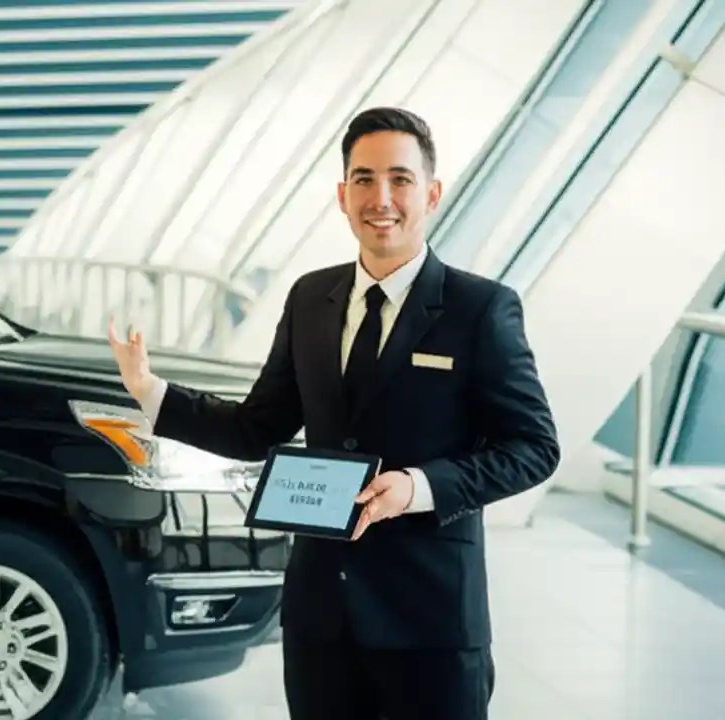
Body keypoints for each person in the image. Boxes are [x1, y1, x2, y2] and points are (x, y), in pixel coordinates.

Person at [107, 106, 560, 720]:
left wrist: (419, 487)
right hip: (322, 617)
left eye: (400, 180)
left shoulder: (480, 309)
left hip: (427, 618)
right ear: (342, 196)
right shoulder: (310, 299)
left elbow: (533, 447)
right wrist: (151, 391)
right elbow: (256, 427)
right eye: (365, 179)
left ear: (432, 194)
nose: (382, 198)